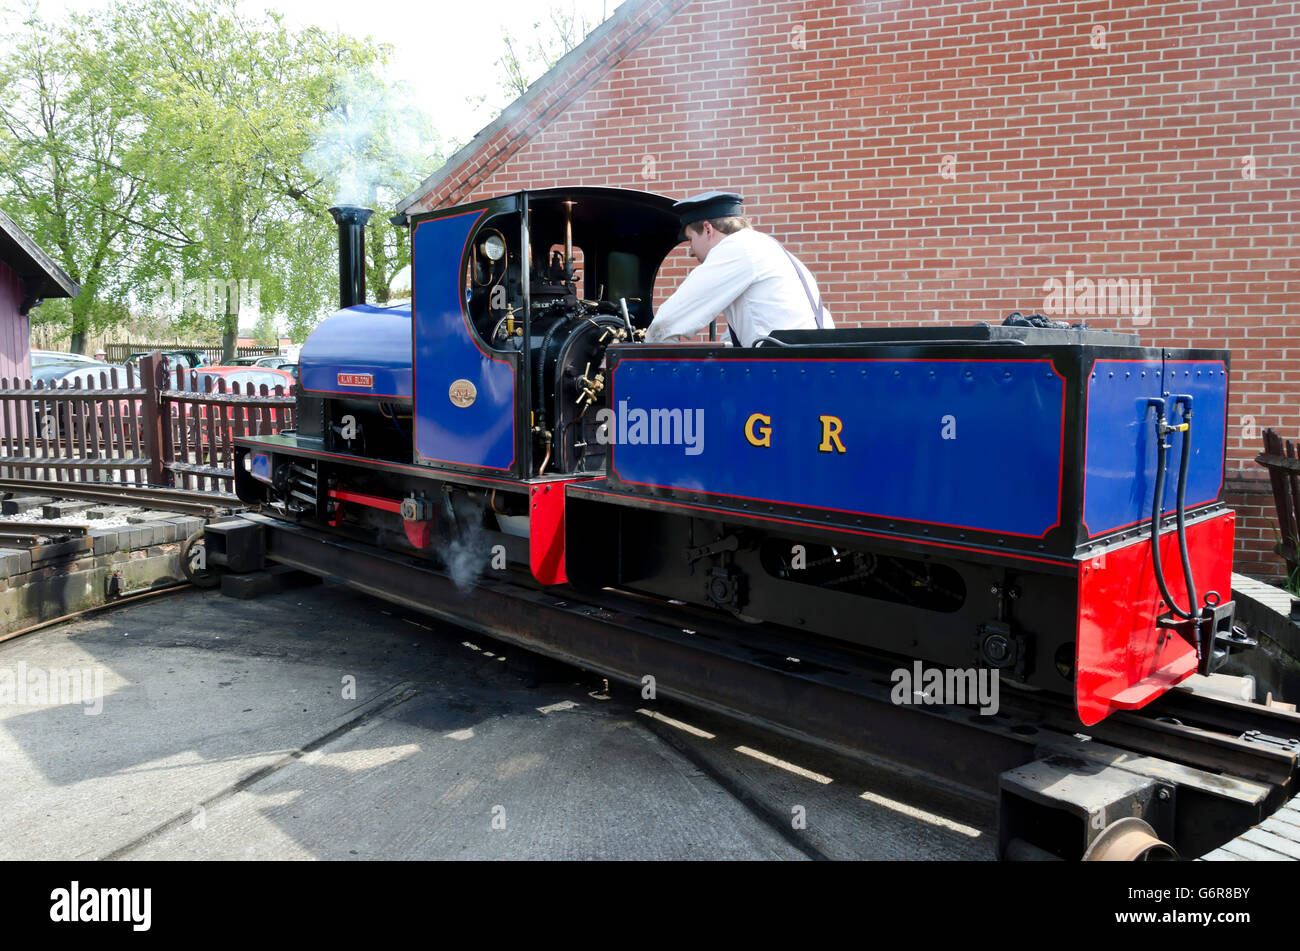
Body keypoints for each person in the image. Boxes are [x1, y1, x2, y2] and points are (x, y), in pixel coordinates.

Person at [645, 191, 833, 347]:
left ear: (708, 229)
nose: (691, 252)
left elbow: (666, 323)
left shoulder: (736, 249)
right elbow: (745, 328)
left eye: (691, 239)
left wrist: (649, 362)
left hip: (783, 371)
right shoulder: (766, 247)